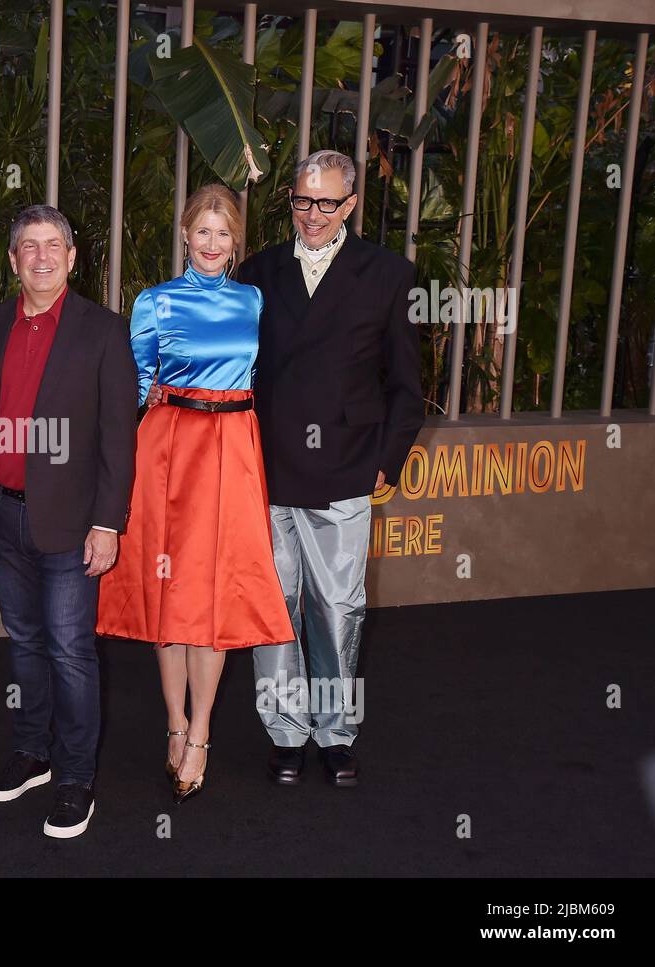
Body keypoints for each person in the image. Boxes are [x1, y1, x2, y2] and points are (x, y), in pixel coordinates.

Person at [97, 184, 294, 804]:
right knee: (170, 589)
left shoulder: (255, 301)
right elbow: (132, 387)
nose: (212, 243)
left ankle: (202, 729)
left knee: (213, 592)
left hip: (233, 448)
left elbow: (272, 374)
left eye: (224, 233)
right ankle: (174, 723)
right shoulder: (153, 303)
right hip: (170, 450)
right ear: (185, 234)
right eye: (202, 231)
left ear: (237, 242)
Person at [241, 149, 424, 788]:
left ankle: (336, 733)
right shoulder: (258, 270)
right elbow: (237, 369)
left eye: (325, 202)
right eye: (301, 200)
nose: (312, 214)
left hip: (346, 468)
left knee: (339, 609)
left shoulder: (387, 273)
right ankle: (284, 732)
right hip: (268, 467)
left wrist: (387, 459)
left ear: (350, 205)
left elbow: (406, 383)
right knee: (274, 607)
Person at [0, 205, 136, 839]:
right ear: (12, 261)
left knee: (70, 651)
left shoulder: (103, 331)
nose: (40, 256)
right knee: (27, 643)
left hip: (71, 522)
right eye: (27, 247)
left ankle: (73, 778)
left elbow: (119, 437)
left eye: (52, 245)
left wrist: (108, 523)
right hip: (3, 512)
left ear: (71, 257)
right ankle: (32, 752)